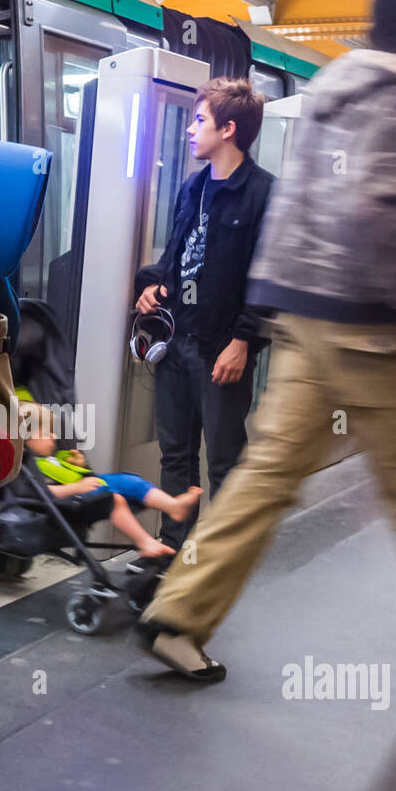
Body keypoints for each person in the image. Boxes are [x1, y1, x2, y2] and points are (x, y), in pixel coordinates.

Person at [134, 0, 396, 695]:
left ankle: (180, 615)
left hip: (303, 320)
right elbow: (385, 206)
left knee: (262, 477)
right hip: (375, 325)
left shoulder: (328, 90)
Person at [134, 77, 274, 550]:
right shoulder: (192, 189)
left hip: (222, 349)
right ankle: (174, 550)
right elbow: (176, 260)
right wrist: (152, 286)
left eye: (199, 120)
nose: (190, 131)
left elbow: (266, 278)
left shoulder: (263, 194)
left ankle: (224, 558)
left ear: (229, 129)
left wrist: (243, 341)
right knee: (175, 455)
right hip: (176, 342)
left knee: (226, 461)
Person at [21, 401, 201, 559]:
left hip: (85, 486)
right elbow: (41, 492)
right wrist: (77, 488)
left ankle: (172, 505)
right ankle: (144, 542)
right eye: (45, 433)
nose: (53, 436)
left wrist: (77, 463)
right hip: (68, 500)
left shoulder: (48, 458)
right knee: (114, 500)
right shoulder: (27, 466)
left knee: (131, 481)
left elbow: (67, 473)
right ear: (24, 438)